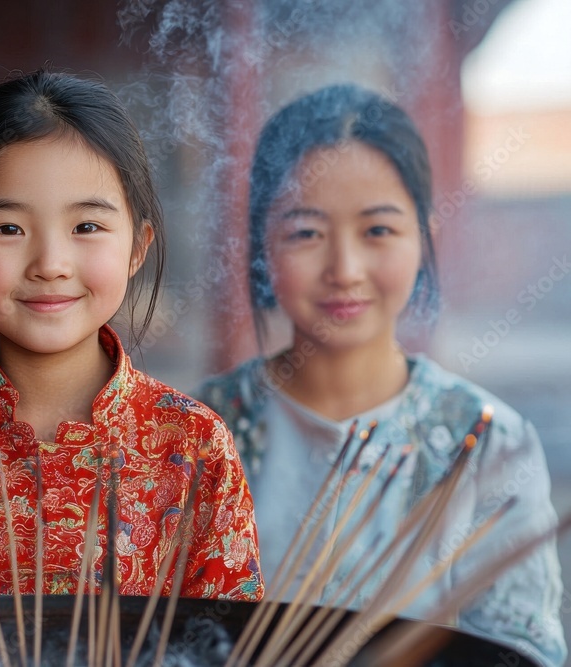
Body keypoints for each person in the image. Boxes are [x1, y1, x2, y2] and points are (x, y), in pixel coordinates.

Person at [0, 69, 263, 602]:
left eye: (86, 226)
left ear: (138, 246)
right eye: (8, 228)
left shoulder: (194, 444)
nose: (50, 263)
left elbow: (229, 639)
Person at [194, 84, 566, 666]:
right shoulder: (192, 433)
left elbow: (523, 652)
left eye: (378, 230)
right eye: (306, 233)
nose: (345, 269)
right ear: (263, 245)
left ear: (425, 237)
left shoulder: (490, 441)